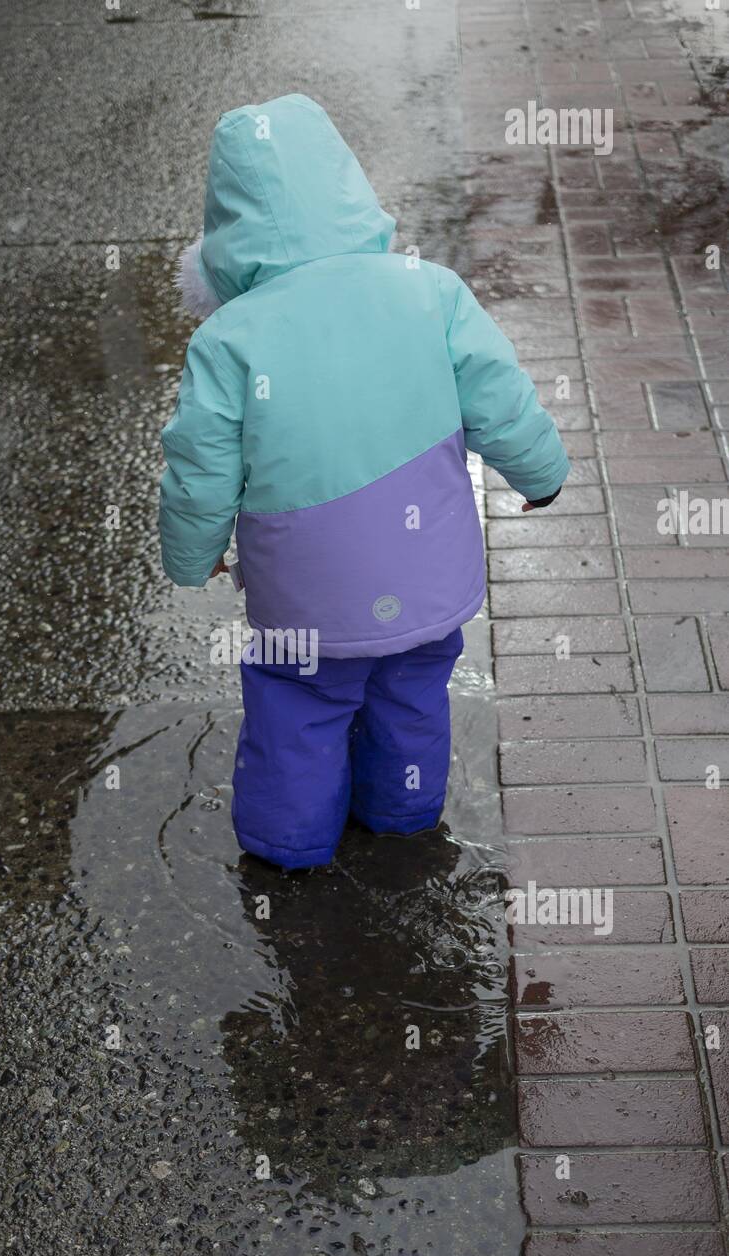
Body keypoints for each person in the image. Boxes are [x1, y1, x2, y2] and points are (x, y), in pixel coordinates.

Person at [159, 94, 568, 870]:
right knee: (412, 690)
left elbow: (200, 468)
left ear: (226, 227)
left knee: (300, 705)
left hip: (305, 589)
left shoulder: (227, 339)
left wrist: (192, 555)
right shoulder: (430, 290)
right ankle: (403, 812)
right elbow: (499, 396)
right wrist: (542, 474)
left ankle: (291, 844)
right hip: (428, 570)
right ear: (348, 190)